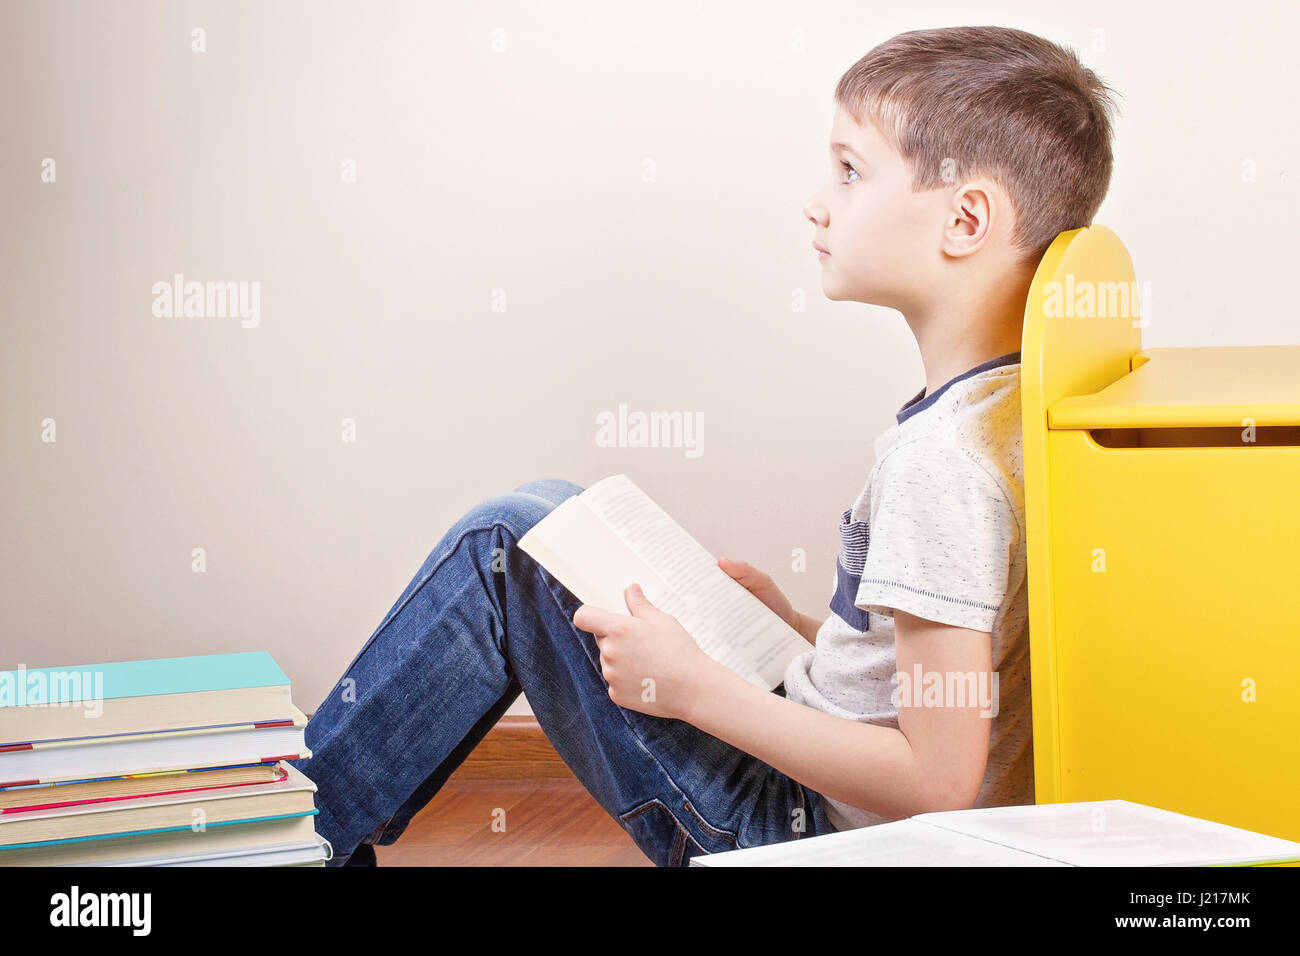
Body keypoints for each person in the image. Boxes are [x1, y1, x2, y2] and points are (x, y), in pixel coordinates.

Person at [288, 24, 1120, 866]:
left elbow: (936, 779)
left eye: (850, 171)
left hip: (801, 835)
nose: (817, 201)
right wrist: (793, 624)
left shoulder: (938, 465)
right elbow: (931, 677)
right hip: (829, 797)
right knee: (550, 513)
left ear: (965, 218)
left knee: (508, 541)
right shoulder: (1005, 412)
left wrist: (696, 689)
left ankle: (287, 840)